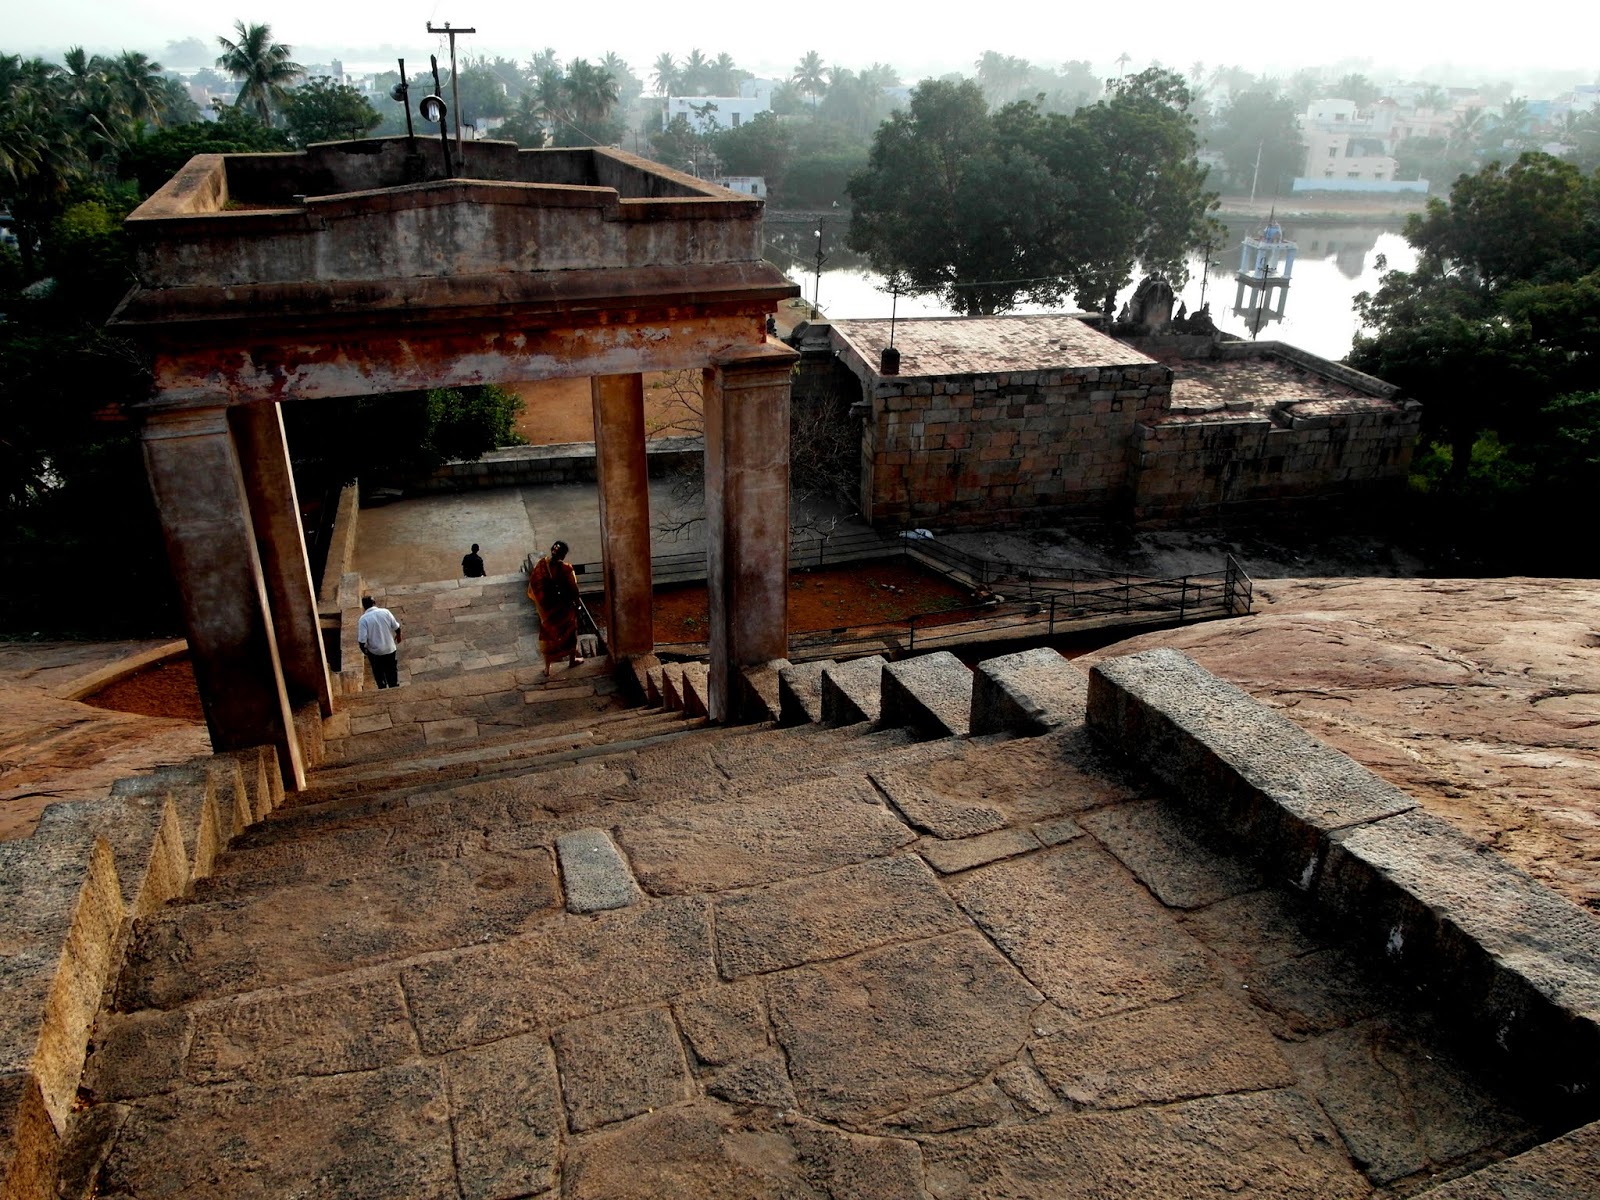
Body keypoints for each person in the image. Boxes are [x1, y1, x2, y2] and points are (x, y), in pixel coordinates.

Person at [526, 540, 584, 679]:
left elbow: (533, 586)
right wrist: (577, 604)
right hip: (564, 607)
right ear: (563, 555)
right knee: (570, 632)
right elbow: (574, 589)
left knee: (549, 636)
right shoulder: (566, 568)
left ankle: (547, 669)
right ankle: (571, 660)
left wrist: (543, 604)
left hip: (548, 609)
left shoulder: (541, 565)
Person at [356, 595, 402, 689]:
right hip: (390, 648)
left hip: (375, 652)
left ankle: (382, 687)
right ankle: (393, 686)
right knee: (392, 669)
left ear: (364, 606)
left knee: (378, 672)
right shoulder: (385, 612)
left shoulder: (363, 619)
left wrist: (364, 651)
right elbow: (397, 627)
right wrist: (398, 636)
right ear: (374, 603)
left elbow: (362, 640)